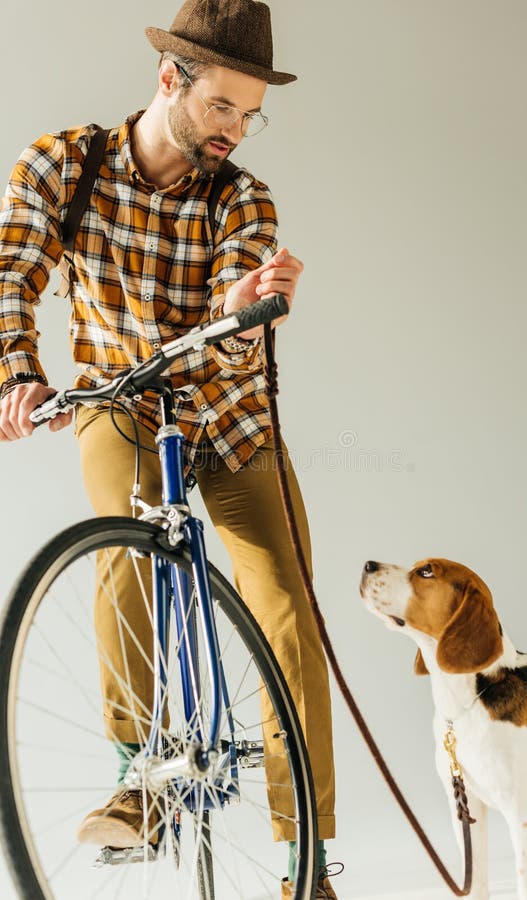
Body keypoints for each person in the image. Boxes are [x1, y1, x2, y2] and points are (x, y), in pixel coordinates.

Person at [0, 1, 339, 896]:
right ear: (168, 79)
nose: (235, 129)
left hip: (230, 417)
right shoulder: (61, 166)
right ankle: (142, 781)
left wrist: (245, 314)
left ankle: (305, 859)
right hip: (117, 401)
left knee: (285, 611)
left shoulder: (243, 198)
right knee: (123, 543)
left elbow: (235, 318)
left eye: (250, 113)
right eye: (221, 105)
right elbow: (11, 274)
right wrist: (16, 374)